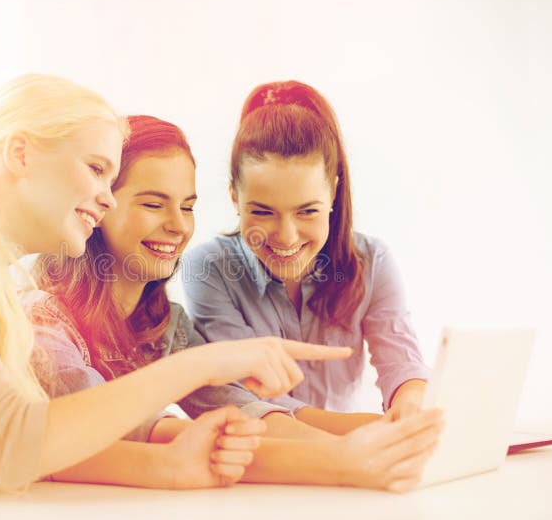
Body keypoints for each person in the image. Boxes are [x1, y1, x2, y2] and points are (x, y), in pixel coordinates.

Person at [0, 75, 349, 510]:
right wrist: (207, 363)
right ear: (20, 154)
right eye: (96, 169)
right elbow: (11, 444)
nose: (107, 199)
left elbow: (15, 459)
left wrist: (173, 467)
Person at [26, 114, 443, 492]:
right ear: (99, 205)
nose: (177, 226)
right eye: (154, 204)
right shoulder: (41, 315)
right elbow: (133, 430)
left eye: (187, 207)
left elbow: (246, 409)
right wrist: (341, 460)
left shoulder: (166, 324)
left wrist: (377, 437)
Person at [182, 81, 431, 429]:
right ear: (234, 197)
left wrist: (410, 405)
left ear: (333, 194)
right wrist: (366, 428)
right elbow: (247, 397)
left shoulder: (372, 260)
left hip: (359, 458)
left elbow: (401, 361)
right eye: (263, 212)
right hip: (274, 459)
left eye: (307, 212)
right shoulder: (209, 269)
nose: (286, 237)